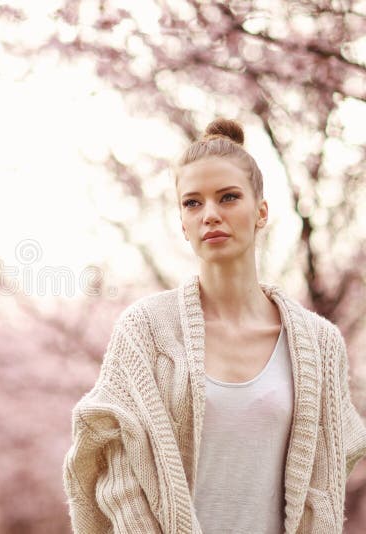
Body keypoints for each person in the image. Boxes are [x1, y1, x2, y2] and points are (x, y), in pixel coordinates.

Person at [62, 118, 366, 534]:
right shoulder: (145, 330)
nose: (210, 215)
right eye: (193, 203)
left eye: (228, 197)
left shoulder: (321, 344)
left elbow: (327, 477)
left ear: (260, 212)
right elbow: (116, 468)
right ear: (181, 223)